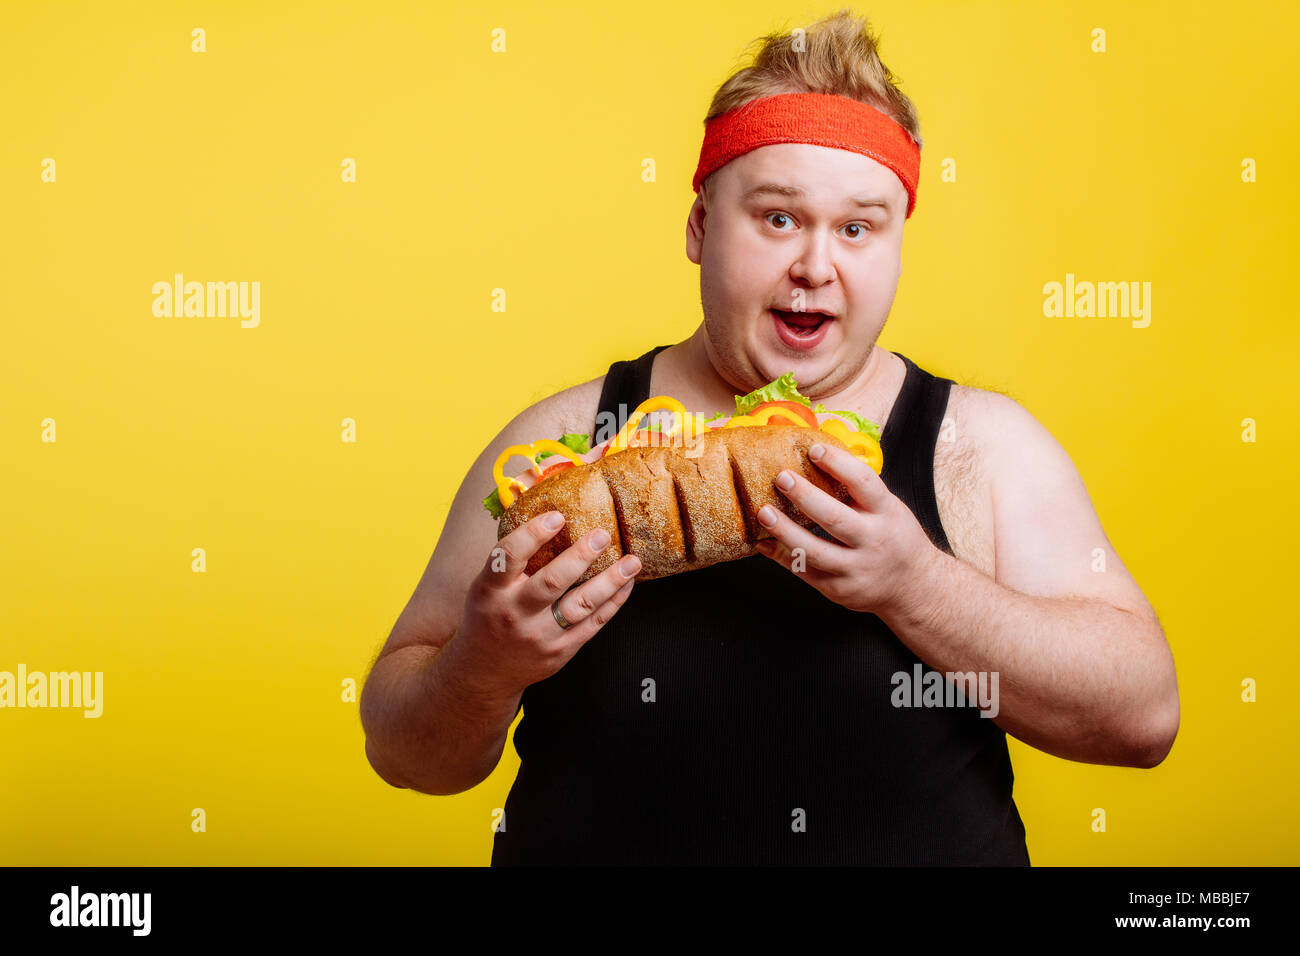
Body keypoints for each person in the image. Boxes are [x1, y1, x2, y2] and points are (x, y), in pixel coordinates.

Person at [359, 10, 1178, 865]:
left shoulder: (977, 447)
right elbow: (405, 754)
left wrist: (914, 584)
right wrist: (484, 666)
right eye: (779, 218)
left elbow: (1144, 720)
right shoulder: (564, 443)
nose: (816, 267)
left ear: (897, 247)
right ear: (699, 228)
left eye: (857, 228)